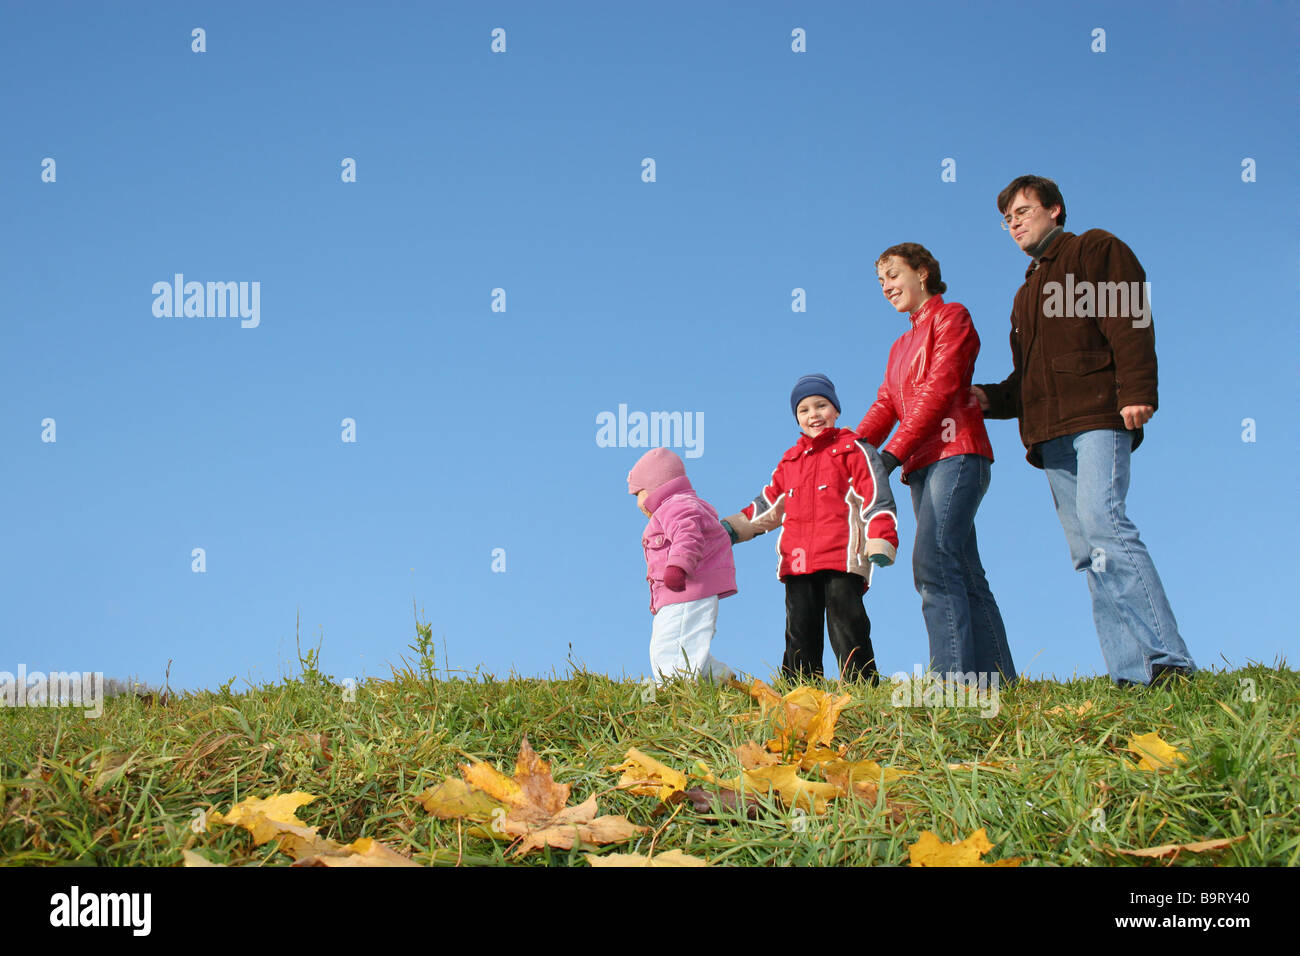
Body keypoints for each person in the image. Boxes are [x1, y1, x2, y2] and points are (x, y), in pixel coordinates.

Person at [971, 174, 1196, 687]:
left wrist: (1138, 389)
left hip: (1099, 415)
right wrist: (988, 399)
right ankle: (1132, 674)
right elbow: (1028, 379)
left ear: (1055, 210)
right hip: (1050, 434)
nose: (1013, 223)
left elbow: (1129, 317)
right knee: (1089, 553)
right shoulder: (1025, 295)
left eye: (1023, 211)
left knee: (1105, 524)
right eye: (1007, 219)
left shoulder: (1096, 248)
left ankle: (1170, 661)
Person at [857, 243, 1016, 683]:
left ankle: (951, 681)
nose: (887, 286)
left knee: (932, 559)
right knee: (963, 567)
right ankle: (999, 679)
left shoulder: (953, 318)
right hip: (920, 465)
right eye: (881, 281)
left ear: (922, 272)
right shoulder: (900, 345)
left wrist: (889, 454)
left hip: (956, 451)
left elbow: (940, 387)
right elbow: (887, 402)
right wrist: (850, 450)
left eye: (893, 274)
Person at [722, 374, 898, 682]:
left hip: (843, 557)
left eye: (821, 405)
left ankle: (861, 684)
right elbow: (768, 506)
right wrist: (731, 528)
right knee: (799, 627)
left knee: (848, 622)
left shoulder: (854, 451)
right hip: (799, 560)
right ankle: (799, 687)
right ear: (797, 418)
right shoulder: (791, 462)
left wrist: (881, 538)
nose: (813, 414)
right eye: (804, 410)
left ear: (836, 411)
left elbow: (876, 498)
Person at [628, 447, 737, 684]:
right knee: (686, 642)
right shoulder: (676, 507)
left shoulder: (677, 506)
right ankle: (718, 678)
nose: (637, 503)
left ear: (655, 486)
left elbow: (688, 535)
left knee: (670, 645)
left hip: (685, 591)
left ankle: (675, 692)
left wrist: (677, 566)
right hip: (681, 594)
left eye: (638, 493)